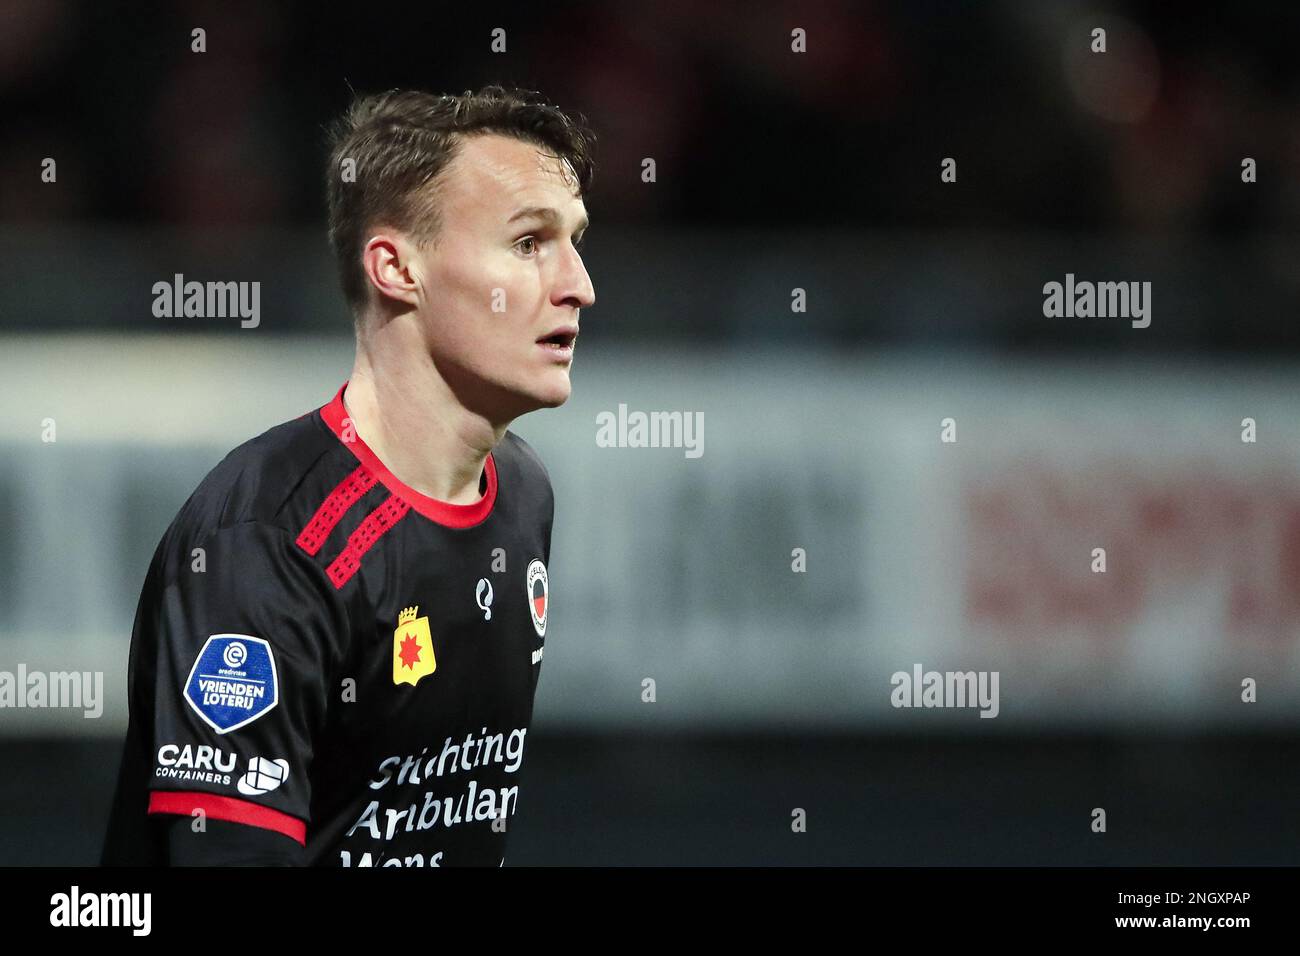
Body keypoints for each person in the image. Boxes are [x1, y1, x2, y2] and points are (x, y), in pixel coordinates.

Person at [100, 85, 596, 866]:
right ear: (397, 267)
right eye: (530, 243)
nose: (579, 285)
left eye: (575, 241)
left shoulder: (522, 495)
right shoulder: (267, 545)